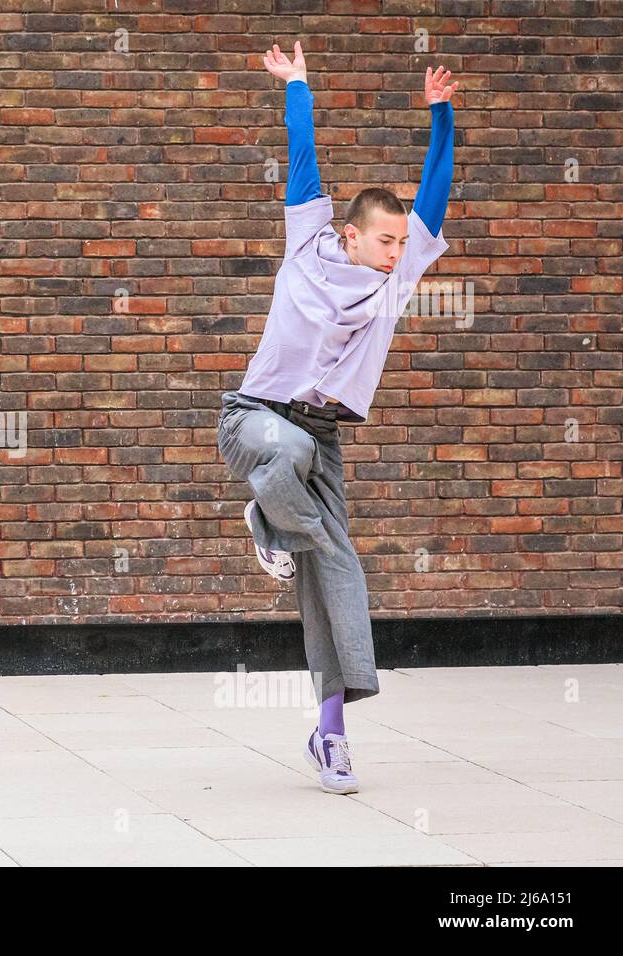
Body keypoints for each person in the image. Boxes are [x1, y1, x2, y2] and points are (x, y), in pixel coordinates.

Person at [216, 43, 456, 794]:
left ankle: (331, 735)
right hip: (253, 420)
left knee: (337, 579)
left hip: (320, 438)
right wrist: (298, 88)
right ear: (349, 234)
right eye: (383, 240)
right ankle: (270, 521)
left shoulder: (394, 280)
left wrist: (441, 115)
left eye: (400, 242)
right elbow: (303, 160)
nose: (394, 253)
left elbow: (437, 194)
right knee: (281, 450)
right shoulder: (309, 240)